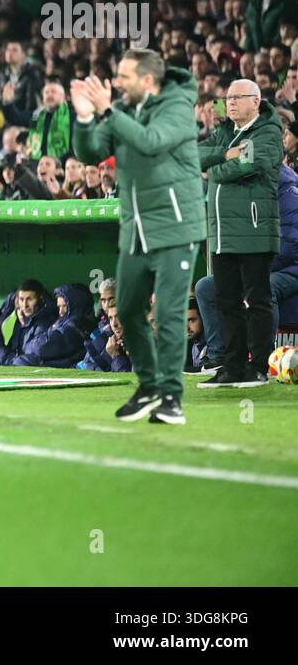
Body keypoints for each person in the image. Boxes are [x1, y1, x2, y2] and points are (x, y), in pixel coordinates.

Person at [72, 48, 205, 424]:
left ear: (148, 80)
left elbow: (151, 142)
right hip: (137, 230)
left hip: (176, 227)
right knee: (127, 309)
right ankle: (148, 386)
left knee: (167, 312)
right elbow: (90, 152)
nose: (117, 83)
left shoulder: (177, 105)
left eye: (124, 76)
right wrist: (84, 117)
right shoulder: (126, 111)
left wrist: (107, 111)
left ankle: (171, 398)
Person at [196, 78, 282, 387]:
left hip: (254, 230)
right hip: (222, 234)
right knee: (226, 301)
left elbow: (244, 167)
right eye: (227, 98)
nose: (229, 102)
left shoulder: (270, 132)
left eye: (237, 97)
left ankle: (258, 366)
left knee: (257, 299)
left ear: (255, 102)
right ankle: (231, 366)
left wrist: (214, 168)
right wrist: (222, 156)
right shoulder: (225, 134)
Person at [194, 129, 298, 377]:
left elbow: (291, 245)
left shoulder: (287, 191)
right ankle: (219, 357)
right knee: (206, 287)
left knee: (264, 286)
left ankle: (267, 360)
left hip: (290, 268)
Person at [0, 278, 56, 365]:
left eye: (29, 299)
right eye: (21, 299)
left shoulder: (43, 327)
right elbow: (0, 358)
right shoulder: (20, 322)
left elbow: (18, 363)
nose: (25, 305)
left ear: (41, 298)